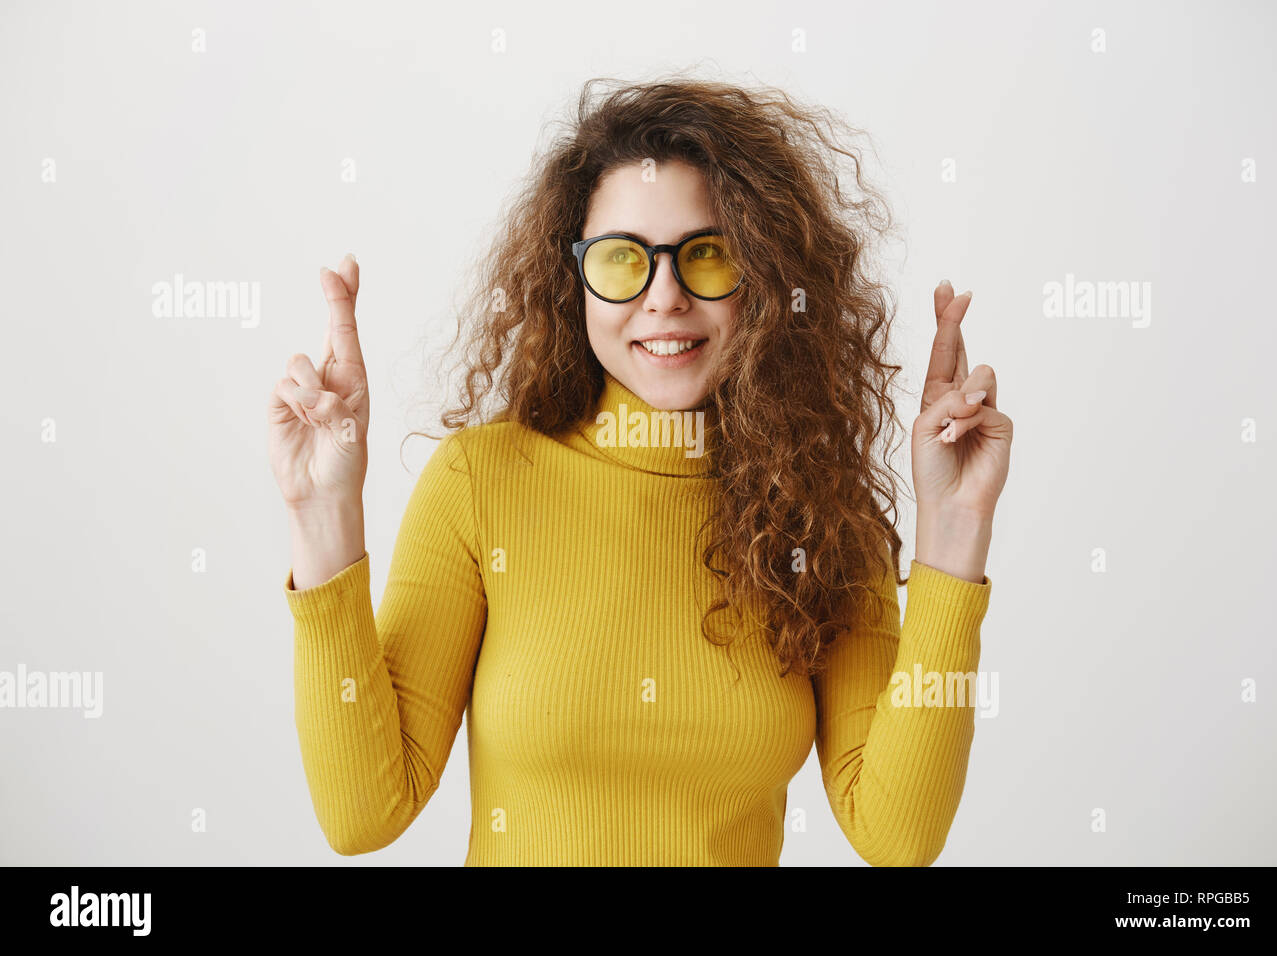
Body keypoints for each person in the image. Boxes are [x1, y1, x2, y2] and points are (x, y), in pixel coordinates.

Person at [267, 76, 1013, 866]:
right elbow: (362, 814)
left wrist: (956, 527)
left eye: (707, 255)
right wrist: (323, 513)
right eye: (625, 260)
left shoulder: (822, 515)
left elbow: (899, 836)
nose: (665, 298)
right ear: (575, 276)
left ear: (761, 275)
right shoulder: (479, 484)